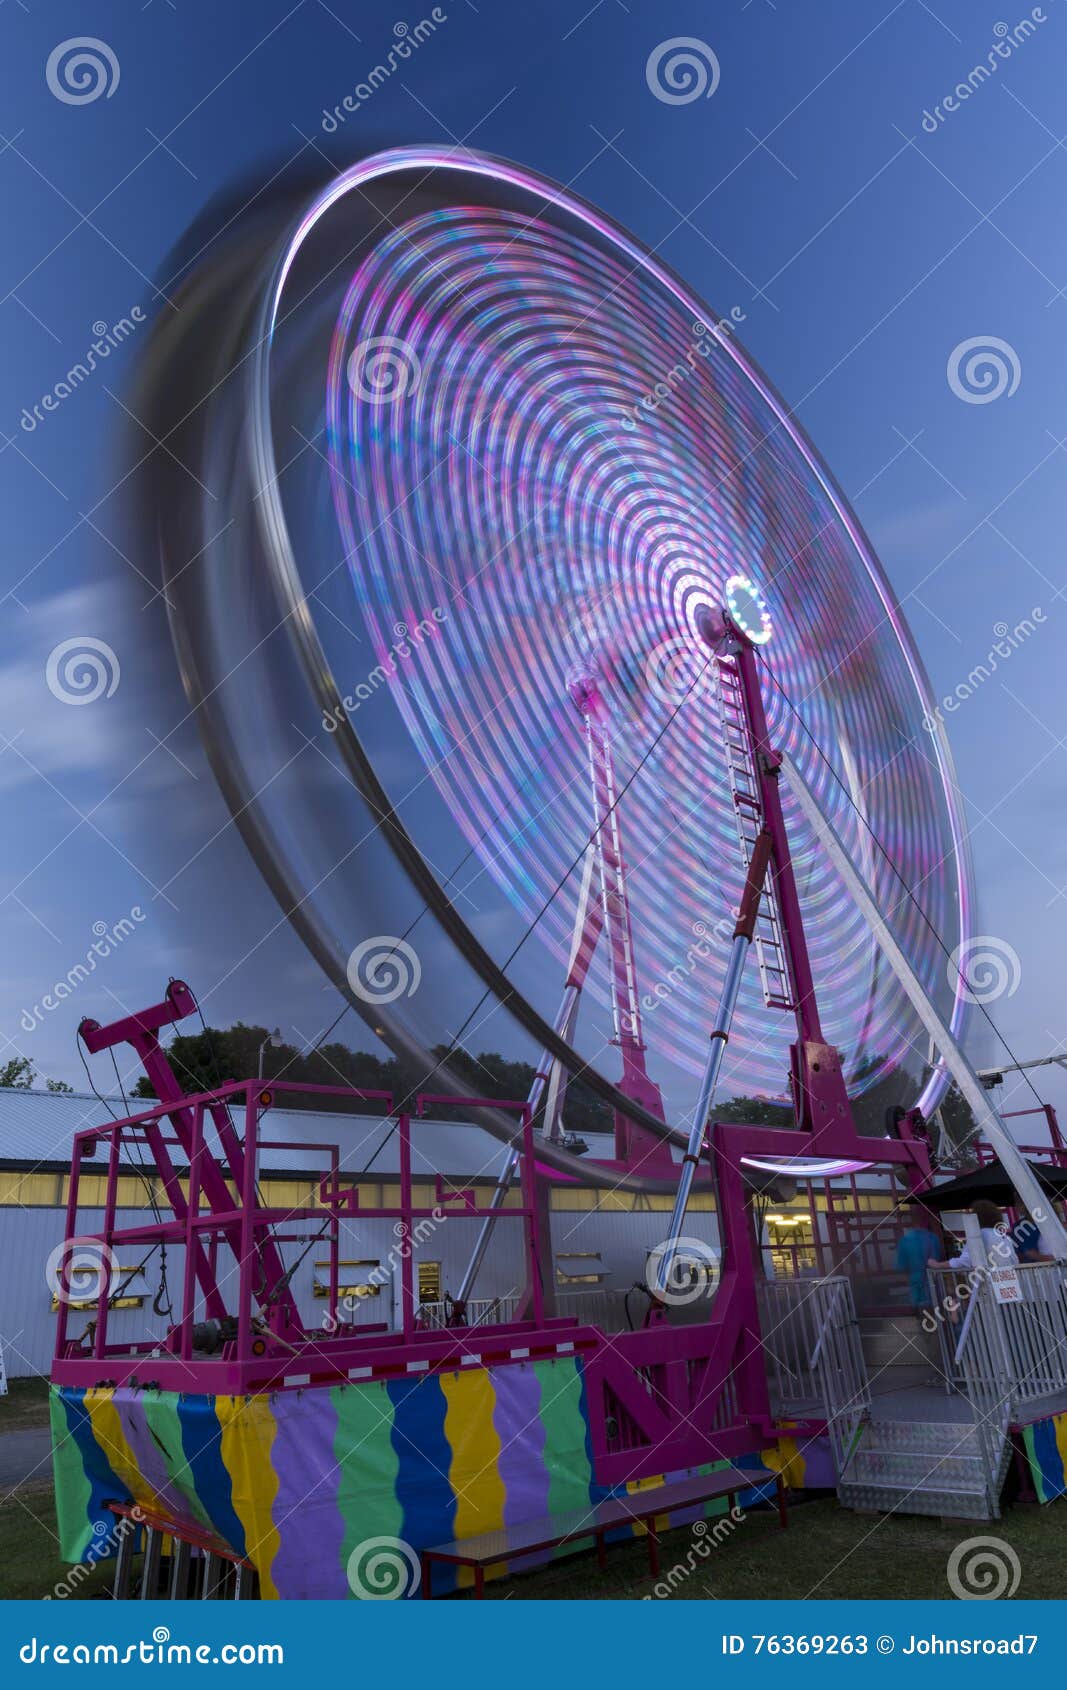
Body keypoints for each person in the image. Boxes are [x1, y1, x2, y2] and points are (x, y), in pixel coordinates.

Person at [934, 1199, 1017, 1270]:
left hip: (989, 1281)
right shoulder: (1002, 1235)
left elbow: (965, 1260)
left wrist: (938, 1265)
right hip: (1008, 1279)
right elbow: (1014, 1259)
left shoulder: (978, 1235)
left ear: (976, 1217)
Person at [895, 1210, 942, 1314]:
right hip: (933, 1281)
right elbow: (938, 1259)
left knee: (918, 1306)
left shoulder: (905, 1240)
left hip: (915, 1280)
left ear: (912, 1223)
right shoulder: (933, 1238)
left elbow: (901, 1265)